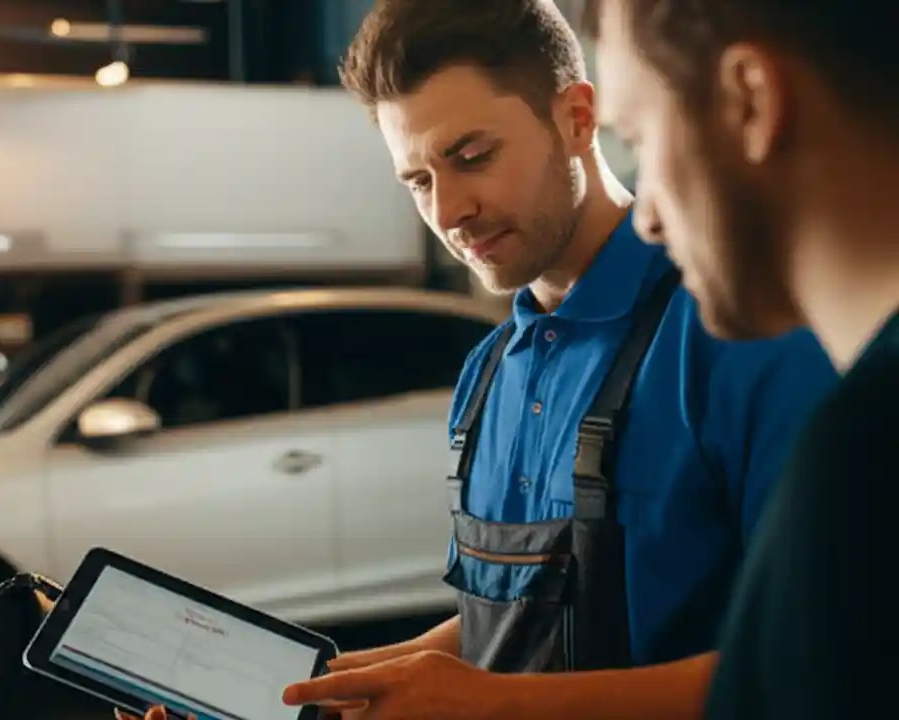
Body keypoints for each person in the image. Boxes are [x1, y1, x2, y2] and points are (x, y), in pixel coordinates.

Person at [280, 0, 887, 717]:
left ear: (576, 117)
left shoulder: (744, 336)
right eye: (418, 181)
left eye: (472, 157)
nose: (447, 212)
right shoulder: (487, 373)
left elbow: (840, 661)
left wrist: (494, 706)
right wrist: (338, 686)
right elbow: (505, 624)